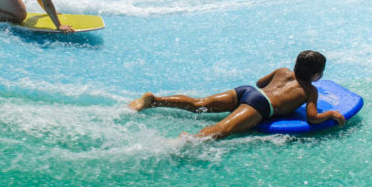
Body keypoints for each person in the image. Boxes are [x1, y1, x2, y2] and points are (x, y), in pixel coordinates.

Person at [128, 50, 346, 140]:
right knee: (222, 129)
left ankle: (153, 100)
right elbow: (312, 118)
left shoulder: (282, 71)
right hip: (262, 106)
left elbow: (260, 82)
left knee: (199, 103)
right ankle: (190, 142)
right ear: (317, 75)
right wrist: (331, 114)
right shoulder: (310, 90)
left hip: (248, 91)